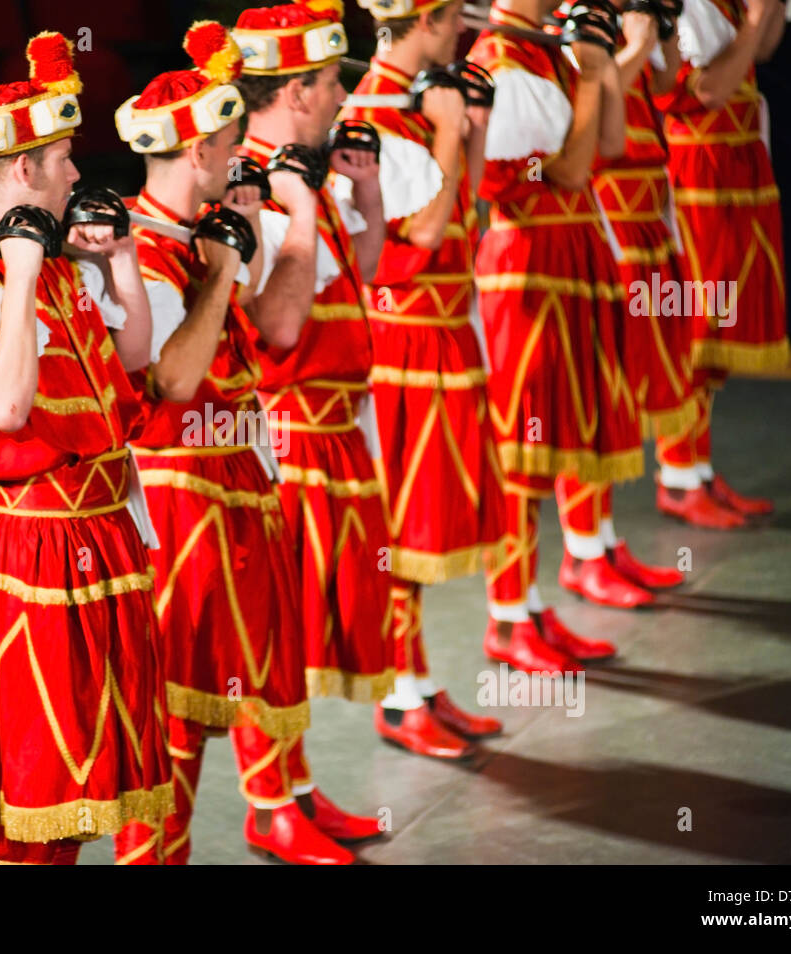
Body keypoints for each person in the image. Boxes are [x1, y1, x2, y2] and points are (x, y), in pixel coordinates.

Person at [112, 21, 363, 865]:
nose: (236, 154)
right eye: (224, 144)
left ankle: (275, 803)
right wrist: (221, 271)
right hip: (180, 503)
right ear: (193, 155)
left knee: (251, 669)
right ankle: (152, 857)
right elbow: (174, 382)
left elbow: (268, 332)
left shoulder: (208, 227)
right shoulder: (144, 253)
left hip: (239, 483)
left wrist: (258, 237)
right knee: (177, 703)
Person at [0, 33, 173, 865]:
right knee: (40, 785)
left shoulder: (54, 262)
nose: (76, 174)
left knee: (94, 768)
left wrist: (125, 266)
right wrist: (22, 275)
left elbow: (132, 362)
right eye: (62, 159)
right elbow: (12, 409)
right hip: (34, 546)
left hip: (98, 535)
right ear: (25, 171)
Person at [231, 0, 395, 826]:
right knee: (277, 628)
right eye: (330, 83)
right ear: (296, 89)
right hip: (286, 441)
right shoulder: (254, 188)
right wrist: (296, 208)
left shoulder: (301, 168)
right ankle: (271, 801)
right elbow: (279, 329)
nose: (342, 96)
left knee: (305, 626)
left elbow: (346, 282)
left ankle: (294, 791)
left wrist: (361, 199)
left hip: (332, 433)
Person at [466, 0, 662, 670]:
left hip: (573, 256)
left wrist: (603, 61)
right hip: (528, 273)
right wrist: (588, 75)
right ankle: (508, 617)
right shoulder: (497, 60)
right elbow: (570, 172)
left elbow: (607, 145)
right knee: (523, 455)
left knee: (573, 429)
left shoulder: (542, 47)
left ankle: (536, 604)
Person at [341, 0, 506, 757]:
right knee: (401, 535)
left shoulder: (415, 102)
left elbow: (466, 209)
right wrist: (446, 128)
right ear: (429, 20)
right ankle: (400, 698)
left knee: (426, 524)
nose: (465, 32)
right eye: (453, 19)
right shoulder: (375, 111)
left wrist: (464, 131)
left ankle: (421, 682)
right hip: (401, 350)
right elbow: (428, 231)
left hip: (443, 337)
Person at [589, 1, 742, 529]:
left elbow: (662, 89)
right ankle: (596, 543)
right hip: (611, 213)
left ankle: (689, 473)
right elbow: (600, 104)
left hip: (652, 205)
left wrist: (664, 28)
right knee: (607, 382)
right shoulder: (575, 20)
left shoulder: (626, 12)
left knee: (685, 339)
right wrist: (633, 44)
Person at [652, 0, 787, 520]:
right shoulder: (677, 5)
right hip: (697, 172)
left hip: (737, 166)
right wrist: (752, 23)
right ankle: (679, 476)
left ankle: (699, 471)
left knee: (718, 334)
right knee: (695, 327)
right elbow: (708, 89)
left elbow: (765, 48)